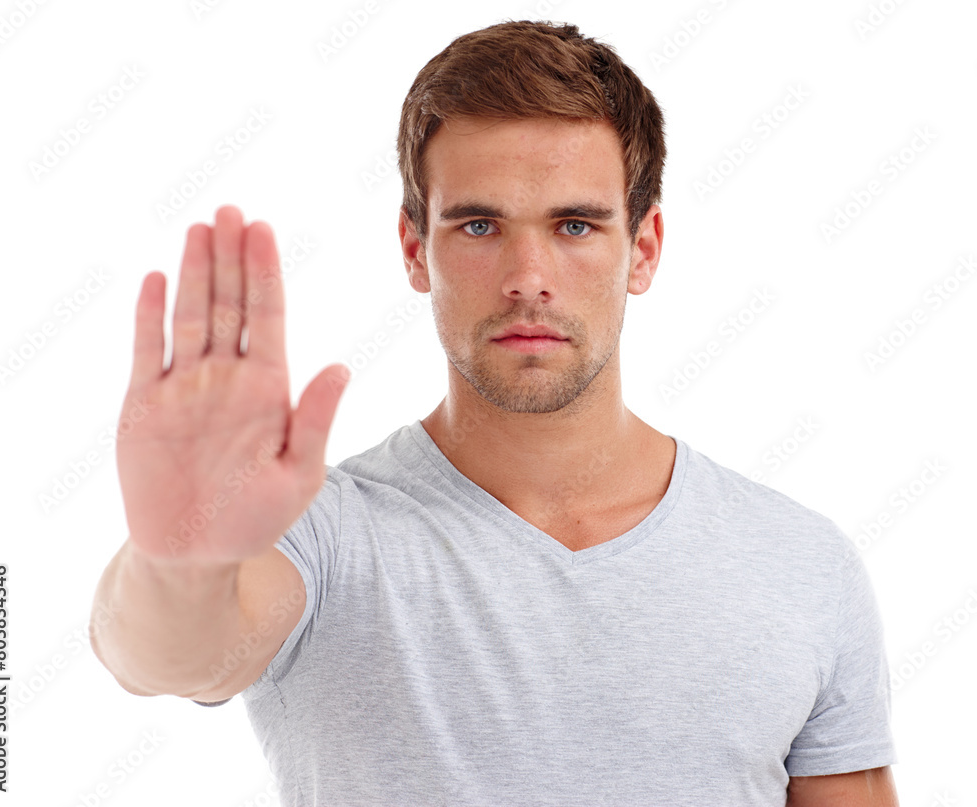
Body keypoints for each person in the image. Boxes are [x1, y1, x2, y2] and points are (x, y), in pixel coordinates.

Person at [90, 19, 899, 806]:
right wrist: (180, 556)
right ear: (416, 250)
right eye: (479, 224)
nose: (528, 276)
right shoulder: (325, 533)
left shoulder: (803, 566)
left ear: (644, 248)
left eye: (574, 224)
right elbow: (172, 654)